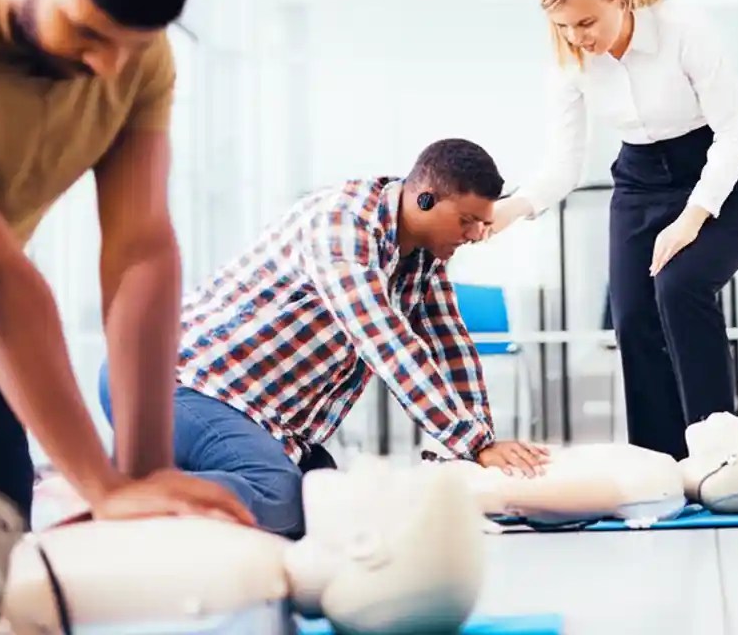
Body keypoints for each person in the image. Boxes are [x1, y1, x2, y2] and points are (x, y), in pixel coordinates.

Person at [0, 0, 251, 528]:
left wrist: (143, 477)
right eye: (86, 32)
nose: (109, 67)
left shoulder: (137, 55)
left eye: (131, 47)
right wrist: (100, 486)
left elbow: (140, 250)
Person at [99, 139, 550, 537]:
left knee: (326, 494)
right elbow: (385, 341)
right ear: (426, 200)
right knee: (281, 495)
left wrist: (482, 448)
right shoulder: (342, 224)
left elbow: (450, 345)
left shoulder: (420, 259)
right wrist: (473, 442)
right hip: (169, 383)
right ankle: (117, 490)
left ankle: (165, 472)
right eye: (468, 220)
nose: (475, 236)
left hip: (247, 411)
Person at [488, 0, 738, 461]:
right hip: (641, 181)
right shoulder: (570, 61)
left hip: (725, 176)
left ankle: (720, 457)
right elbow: (564, 164)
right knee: (633, 314)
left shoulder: (684, 29)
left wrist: (694, 216)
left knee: (679, 286)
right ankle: (659, 464)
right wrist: (512, 207)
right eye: (563, 26)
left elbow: (732, 133)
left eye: (586, 22)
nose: (577, 38)